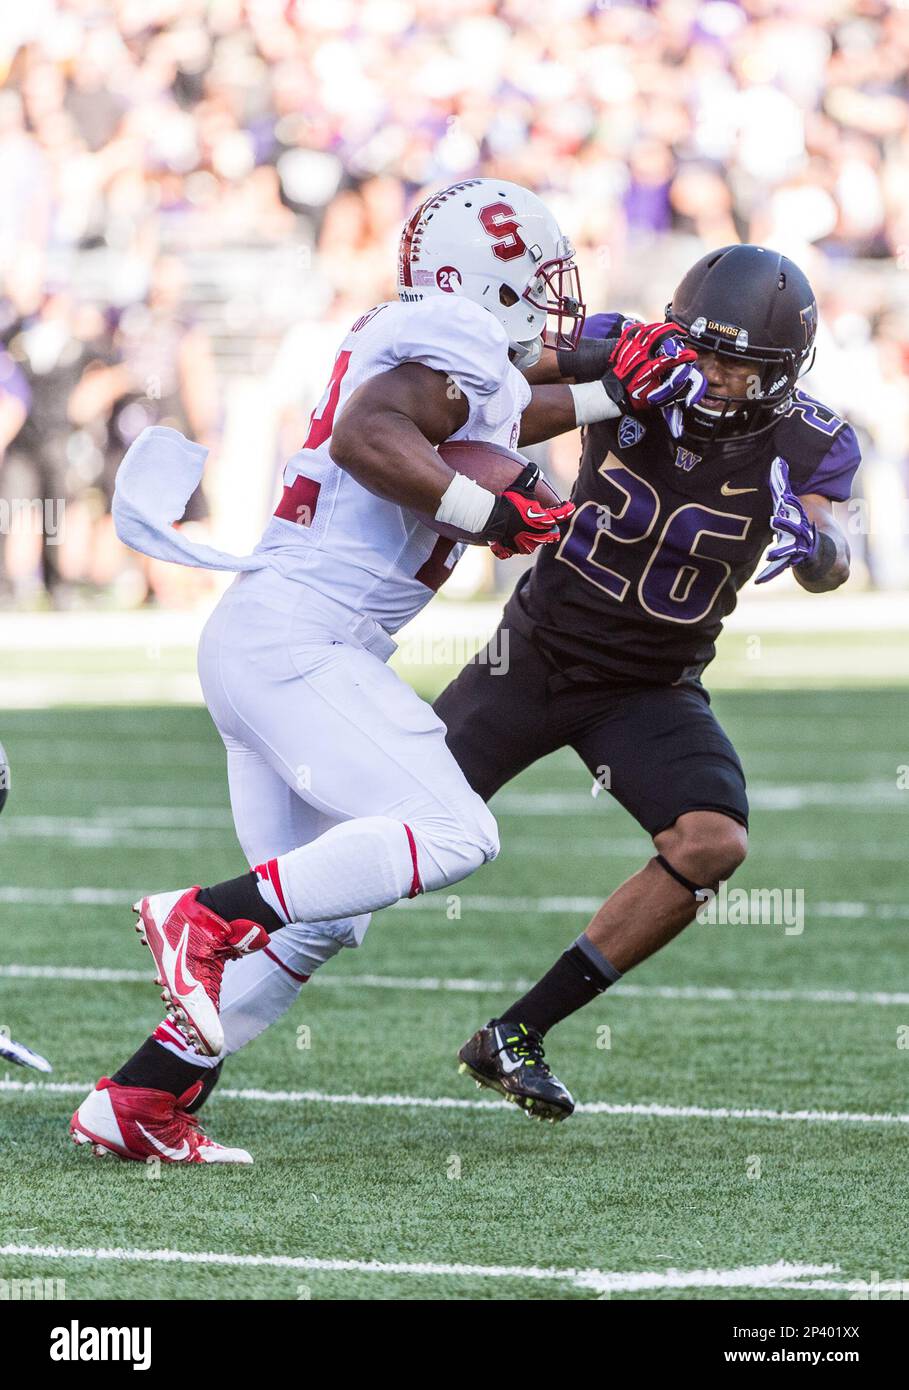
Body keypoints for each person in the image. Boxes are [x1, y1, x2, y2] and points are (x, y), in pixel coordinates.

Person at [150, 244, 859, 1140]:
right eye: (703, 352)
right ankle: (163, 1065)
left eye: (738, 365)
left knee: (712, 842)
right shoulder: (630, 350)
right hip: (532, 657)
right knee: (365, 864)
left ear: (781, 371)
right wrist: (592, 386)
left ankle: (516, 1033)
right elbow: (496, 381)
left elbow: (832, 551)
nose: (715, 377)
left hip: (652, 684)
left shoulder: (812, 440)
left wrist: (819, 549)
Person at [70, 179, 702, 1163]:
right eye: (531, 285)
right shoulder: (436, 346)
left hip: (277, 640)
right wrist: (491, 515)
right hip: (297, 643)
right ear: (474, 283)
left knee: (324, 914)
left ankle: (140, 1099)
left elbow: (490, 416)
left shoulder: (444, 355)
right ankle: (200, 915)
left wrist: (608, 387)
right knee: (455, 830)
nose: (548, 306)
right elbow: (375, 434)